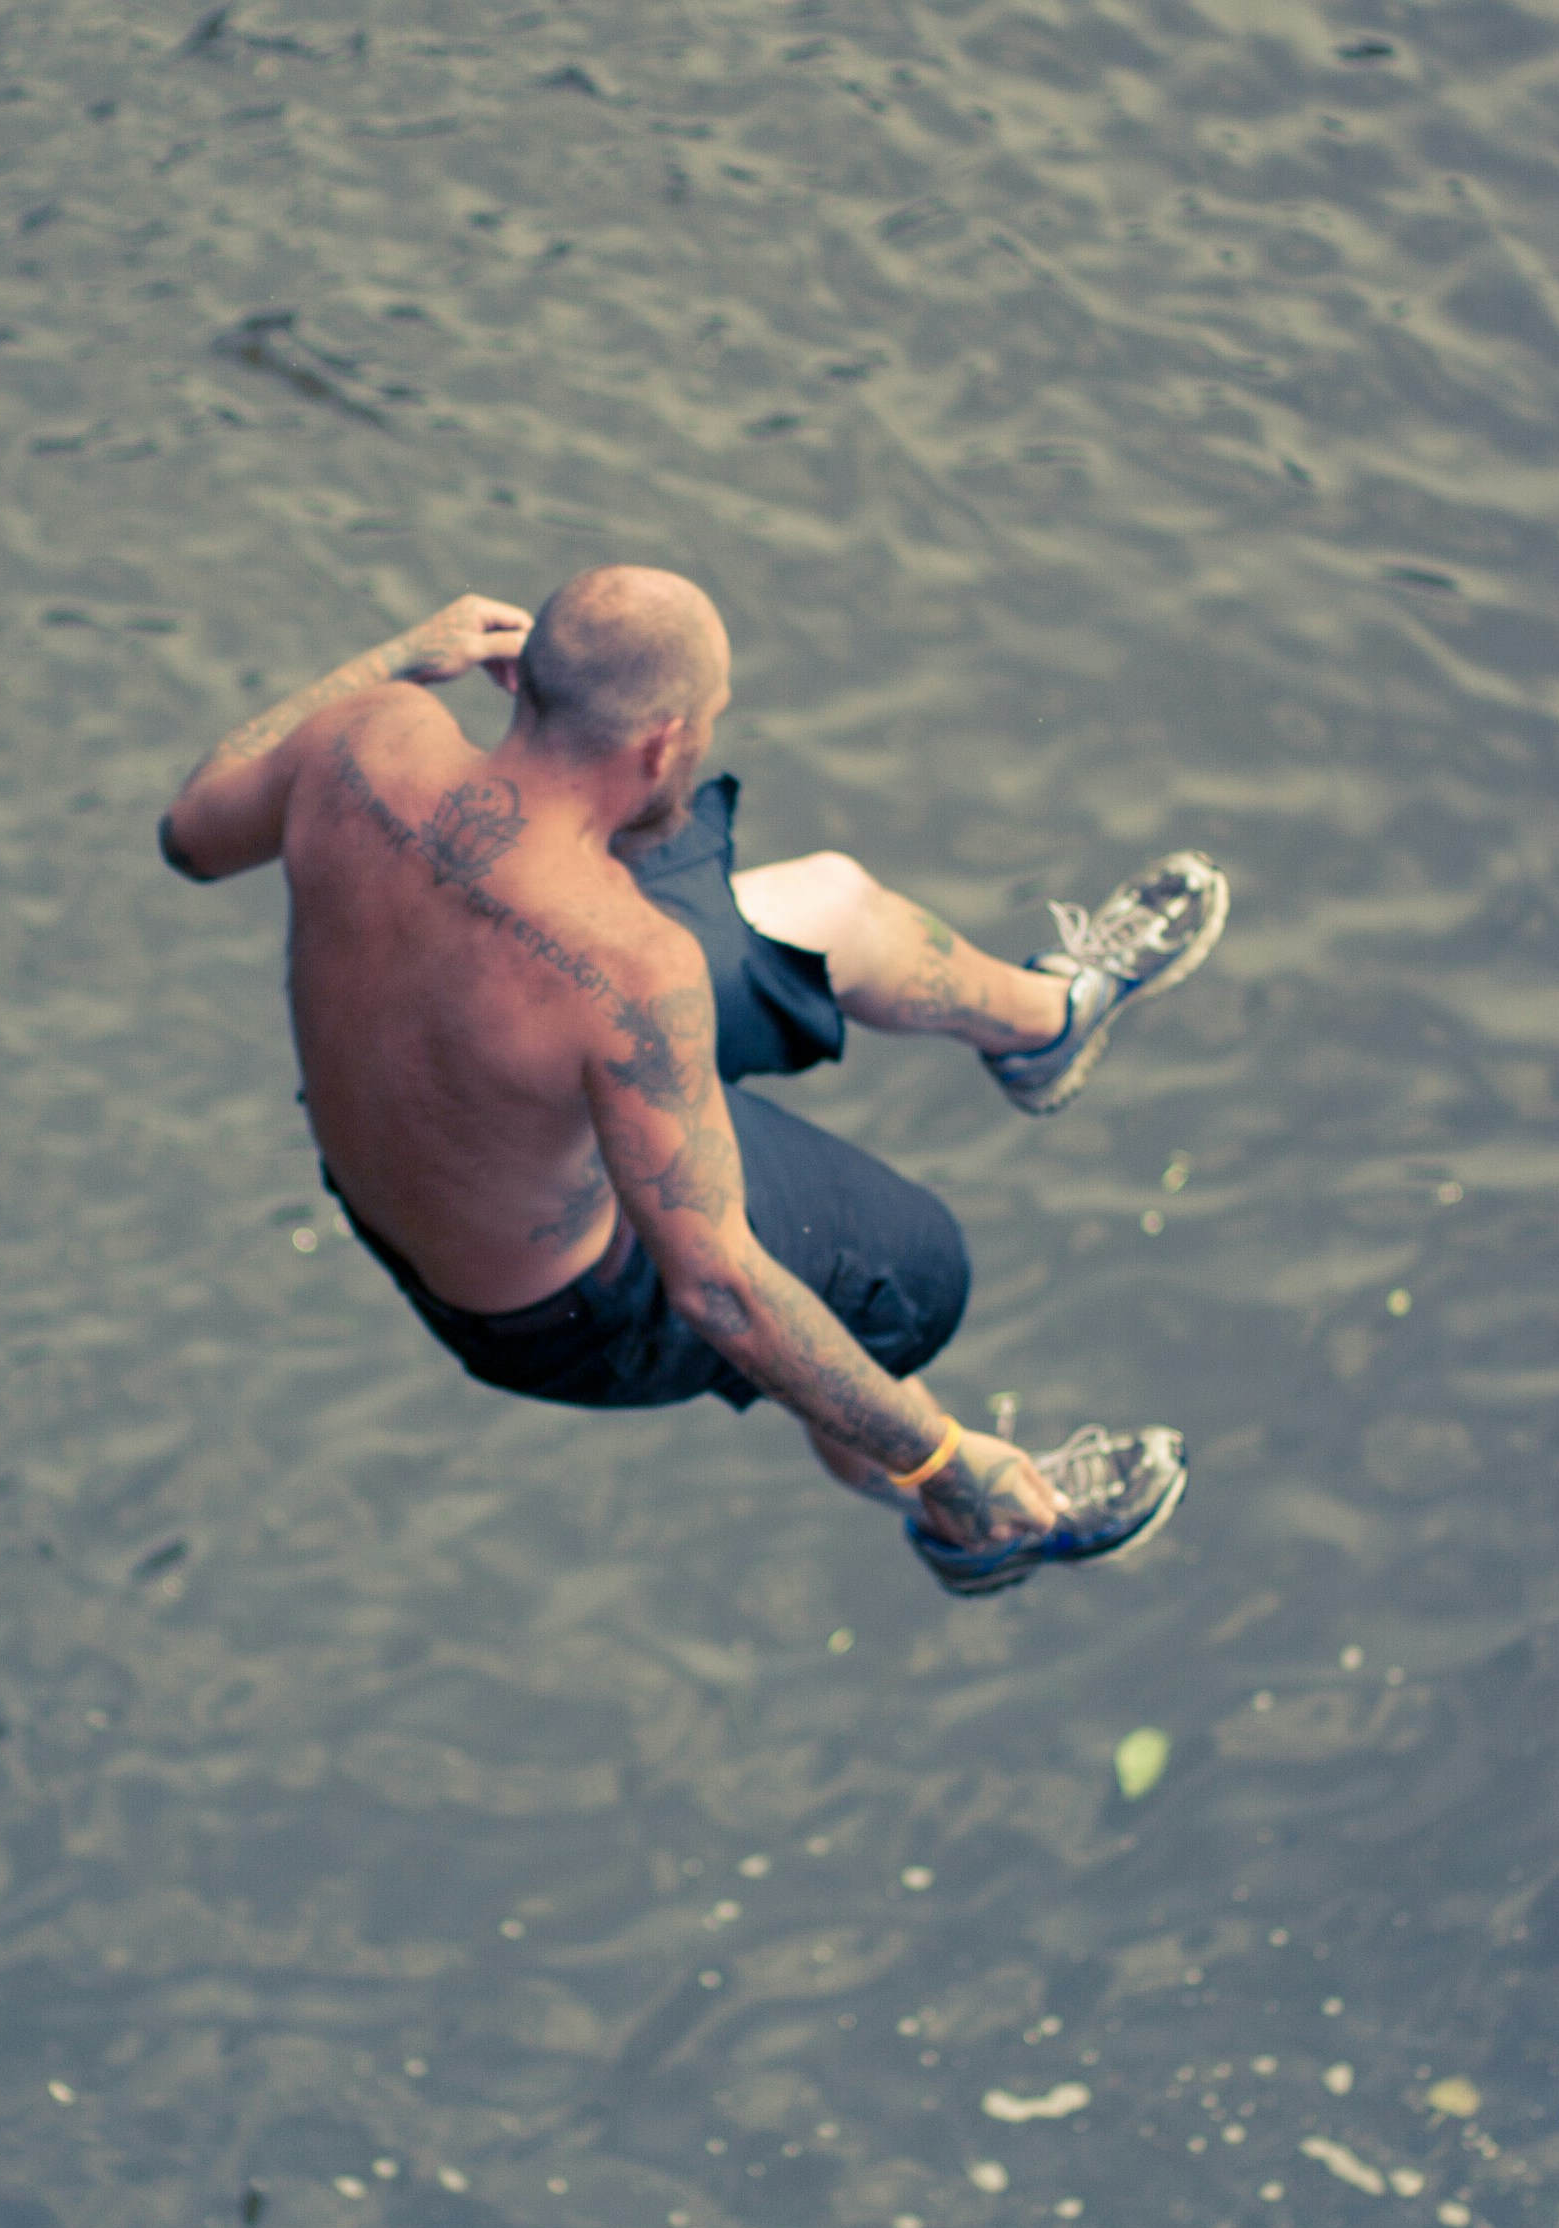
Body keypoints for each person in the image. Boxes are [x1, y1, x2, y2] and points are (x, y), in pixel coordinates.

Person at [159, 567, 1227, 1593]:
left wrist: (394, 657)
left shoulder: (363, 735)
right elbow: (718, 1294)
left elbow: (189, 838)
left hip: (407, 1166)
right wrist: (940, 1456)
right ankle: (976, 1527)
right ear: (666, 738)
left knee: (831, 905)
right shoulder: (633, 969)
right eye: (710, 719)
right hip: (563, 1310)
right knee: (910, 1273)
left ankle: (1043, 1024)